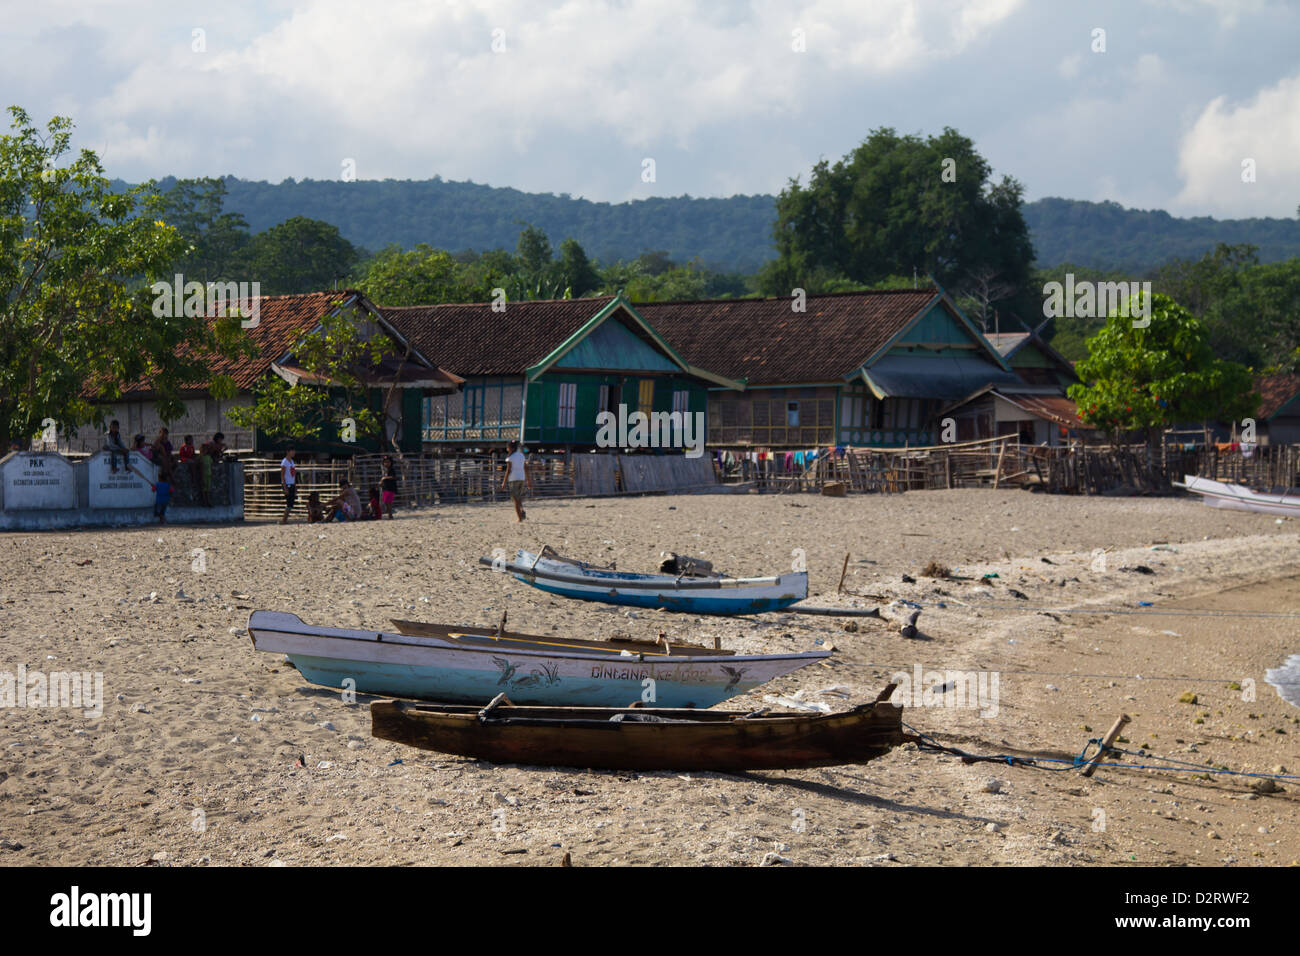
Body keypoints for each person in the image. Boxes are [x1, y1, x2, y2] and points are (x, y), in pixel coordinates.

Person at [501, 439, 531, 522]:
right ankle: (521, 509)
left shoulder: (510, 457)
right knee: (519, 497)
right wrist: (529, 480)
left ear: (509, 448)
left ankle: (519, 518)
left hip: (513, 479)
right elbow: (526, 468)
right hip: (521, 478)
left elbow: (508, 470)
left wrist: (503, 482)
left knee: (515, 499)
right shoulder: (521, 455)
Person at [279, 447, 297, 525]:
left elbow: (294, 475)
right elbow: (282, 476)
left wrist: (295, 486)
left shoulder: (292, 461)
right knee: (289, 503)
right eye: (292, 451)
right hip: (287, 484)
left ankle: (285, 520)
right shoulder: (284, 462)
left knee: (291, 503)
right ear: (288, 451)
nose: (294, 452)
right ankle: (283, 520)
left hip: (292, 483)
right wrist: (285, 487)